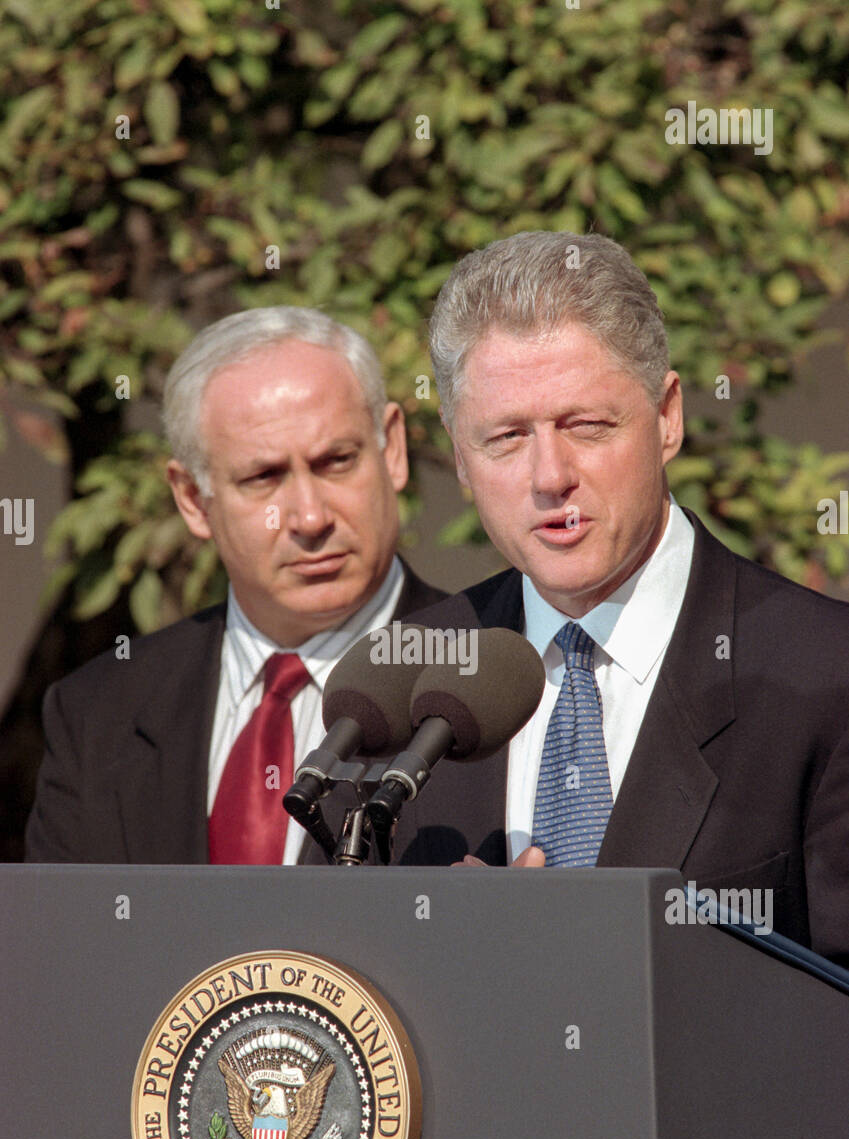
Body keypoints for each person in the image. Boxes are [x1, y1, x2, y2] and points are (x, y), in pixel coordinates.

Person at [392, 231, 849, 966]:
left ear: (666, 417)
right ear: (459, 459)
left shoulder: (824, 672)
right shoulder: (407, 676)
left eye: (584, 426)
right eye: (505, 437)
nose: (550, 475)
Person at [26, 307, 444, 864]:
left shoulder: (486, 688)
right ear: (193, 500)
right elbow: (63, 943)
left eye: (337, 462)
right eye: (263, 477)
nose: (311, 517)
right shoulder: (97, 713)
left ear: (392, 449)